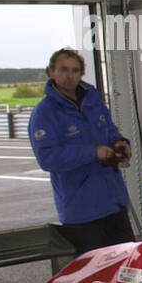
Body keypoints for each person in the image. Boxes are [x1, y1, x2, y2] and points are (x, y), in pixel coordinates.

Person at [28, 48, 135, 254]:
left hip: (113, 203)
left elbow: (111, 131)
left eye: (75, 70)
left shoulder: (94, 102)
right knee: (93, 275)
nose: (70, 76)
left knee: (126, 268)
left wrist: (120, 143)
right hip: (82, 211)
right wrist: (93, 153)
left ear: (82, 73)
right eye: (63, 69)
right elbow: (47, 158)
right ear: (51, 72)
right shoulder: (44, 113)